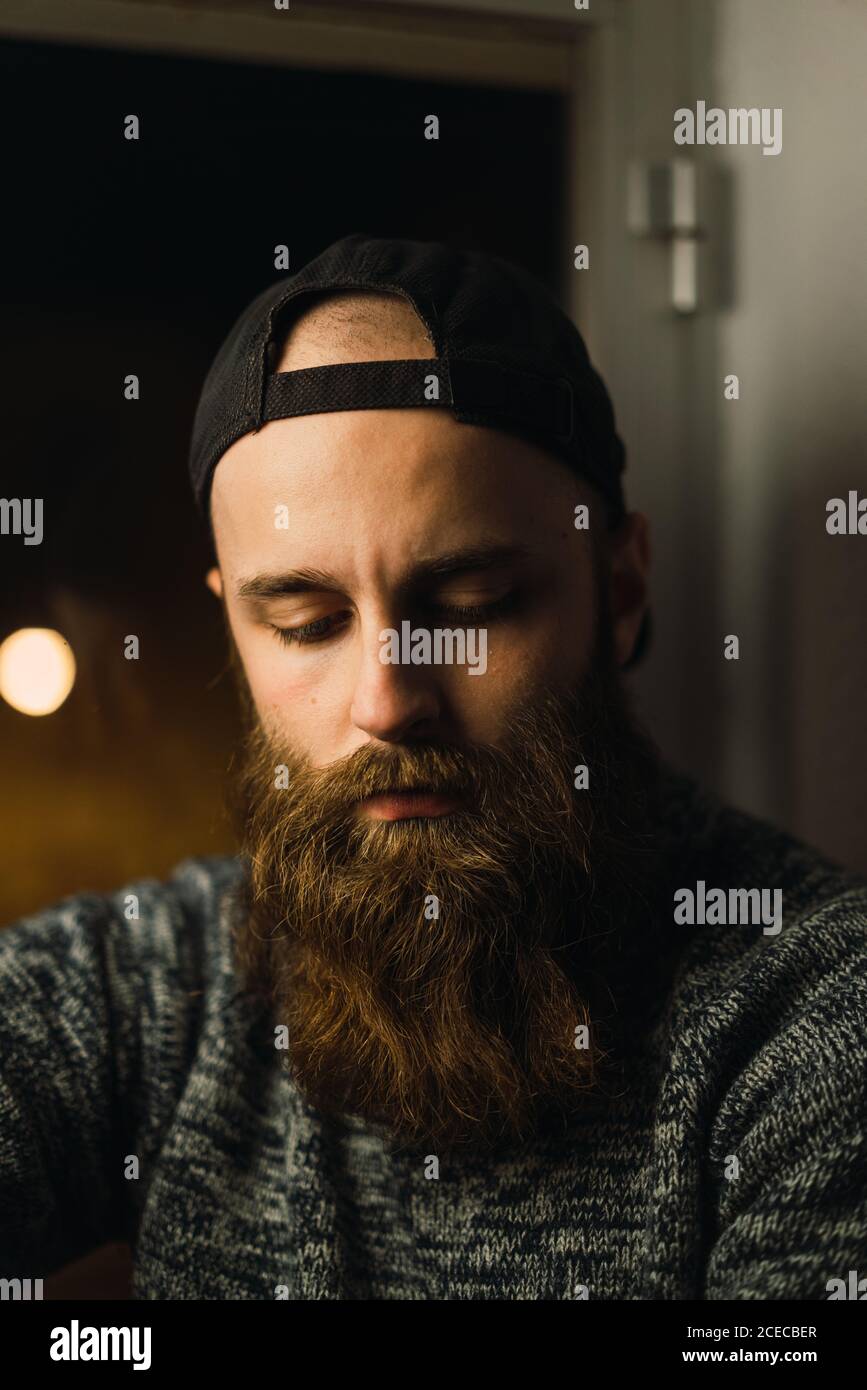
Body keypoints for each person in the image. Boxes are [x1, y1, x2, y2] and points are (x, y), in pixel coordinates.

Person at [1, 236, 865, 1301]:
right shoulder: (143, 995)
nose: (388, 698)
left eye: (471, 607)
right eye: (308, 623)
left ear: (623, 588)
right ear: (234, 626)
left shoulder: (815, 1022)